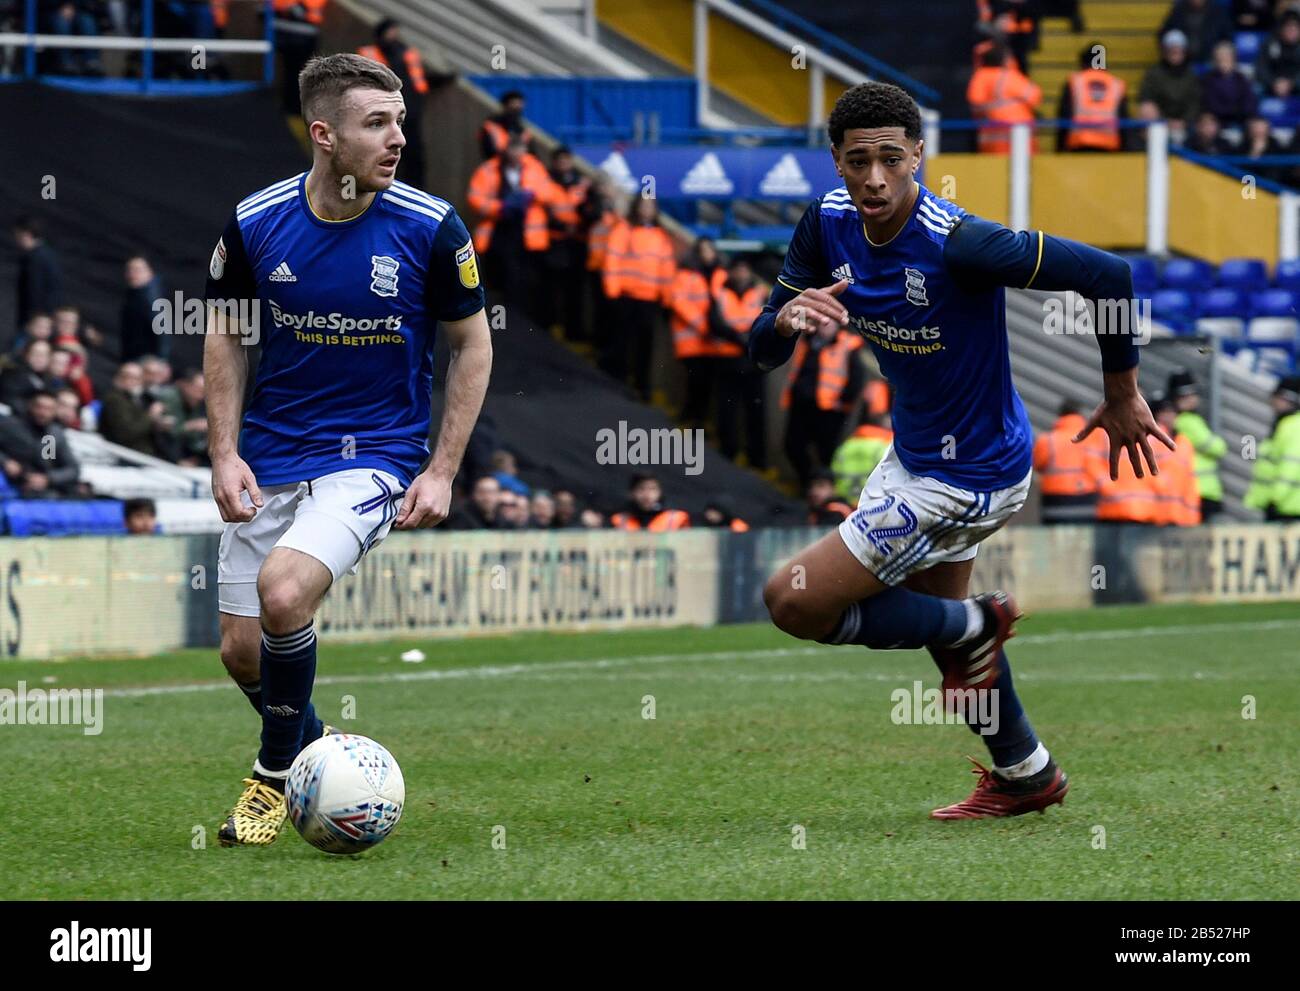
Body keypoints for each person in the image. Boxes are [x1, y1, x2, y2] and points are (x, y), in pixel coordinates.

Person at [749, 82, 1172, 818]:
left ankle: (978, 620)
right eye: (858, 162)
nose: (875, 177)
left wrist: (1123, 390)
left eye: (890, 158)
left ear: (919, 153)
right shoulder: (826, 223)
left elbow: (1108, 275)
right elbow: (758, 349)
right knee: (950, 649)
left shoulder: (962, 243)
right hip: (912, 456)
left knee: (792, 598)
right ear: (837, 164)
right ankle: (1025, 772)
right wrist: (782, 320)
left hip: (974, 474)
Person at [203, 54, 492, 847]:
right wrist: (224, 454)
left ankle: (268, 783)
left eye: (399, 121)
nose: (398, 138)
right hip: (270, 455)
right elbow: (224, 333)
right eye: (378, 123)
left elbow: (473, 346)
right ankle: (331, 768)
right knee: (239, 651)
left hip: (374, 458)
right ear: (324, 135)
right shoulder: (256, 221)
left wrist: (440, 468)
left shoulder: (431, 227)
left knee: (285, 593)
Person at [467, 135, 560, 319]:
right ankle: (500, 321)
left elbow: (550, 192)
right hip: (499, 231)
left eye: (520, 148)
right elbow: (474, 198)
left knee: (526, 280)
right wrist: (500, 208)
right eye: (513, 148)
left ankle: (522, 319)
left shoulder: (535, 167)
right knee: (498, 278)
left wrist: (531, 195)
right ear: (505, 150)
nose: (517, 153)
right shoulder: (489, 169)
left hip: (526, 234)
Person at [602, 197, 675, 400]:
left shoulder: (661, 236)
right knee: (622, 340)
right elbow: (613, 259)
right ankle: (617, 380)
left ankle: (642, 386)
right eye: (643, 206)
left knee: (645, 345)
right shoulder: (625, 229)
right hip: (626, 295)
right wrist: (612, 290)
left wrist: (667, 299)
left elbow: (666, 270)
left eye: (650, 206)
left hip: (649, 299)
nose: (646, 210)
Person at [711, 256, 769, 470]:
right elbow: (715, 322)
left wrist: (749, 339)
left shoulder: (762, 293)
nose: (741, 274)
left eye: (744, 270)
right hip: (728, 358)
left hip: (753, 360)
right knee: (727, 409)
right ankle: (728, 451)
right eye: (737, 269)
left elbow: (770, 319)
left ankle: (757, 458)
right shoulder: (721, 293)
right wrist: (739, 338)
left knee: (755, 411)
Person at [357, 19, 429, 187]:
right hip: (383, 114)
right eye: (390, 32)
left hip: (410, 114)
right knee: (386, 154)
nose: (394, 36)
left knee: (414, 156)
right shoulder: (368, 53)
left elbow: (417, 79)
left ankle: (415, 191)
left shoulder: (406, 53)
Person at [668, 237, 725, 427]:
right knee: (695, 381)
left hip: (714, 342)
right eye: (703, 250)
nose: (707, 254)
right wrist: (703, 326)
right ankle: (690, 417)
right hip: (692, 340)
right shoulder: (686, 275)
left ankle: (698, 420)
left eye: (710, 249)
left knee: (706, 384)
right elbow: (680, 302)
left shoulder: (721, 276)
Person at [1033, 400, 1109, 524]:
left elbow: (1037, 464)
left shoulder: (1047, 440)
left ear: (1060, 416)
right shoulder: (1096, 437)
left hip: (1055, 502)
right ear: (1080, 415)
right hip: (1088, 500)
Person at [0, 390, 82, 497]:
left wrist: (48, 479)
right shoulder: (10, 426)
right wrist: (5, 461)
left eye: (49, 409)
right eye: (39, 407)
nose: (43, 413)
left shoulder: (54, 434)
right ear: (30, 406)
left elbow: (72, 469)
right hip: (11, 484)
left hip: (43, 489)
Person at [1167, 370, 1226, 519]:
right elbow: (1218, 448)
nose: (1191, 399)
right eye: (1185, 396)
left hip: (1194, 489)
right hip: (1201, 490)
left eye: (1193, 394)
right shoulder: (1188, 421)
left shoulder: (1181, 421)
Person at [966, 43, 1041, 154]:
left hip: (993, 135)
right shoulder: (1010, 75)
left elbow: (975, 101)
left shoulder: (981, 75)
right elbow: (1035, 96)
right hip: (1021, 131)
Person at [1244, 375, 1300, 520]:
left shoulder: (1293, 426)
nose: (1272, 402)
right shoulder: (1285, 424)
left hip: (1288, 508)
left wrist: (1275, 498)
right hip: (1283, 505)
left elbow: (1291, 466)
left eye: (1276, 397)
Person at [1058, 44, 1132, 152]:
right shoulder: (1117, 84)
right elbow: (1123, 120)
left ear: (1083, 62)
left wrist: (1060, 149)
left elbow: (1065, 115)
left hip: (1079, 145)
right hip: (1110, 146)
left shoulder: (1074, 81)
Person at [1137, 30, 1200, 143]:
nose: (1175, 52)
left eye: (1178, 48)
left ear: (1184, 51)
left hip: (1185, 124)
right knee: (1146, 109)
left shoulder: (1192, 76)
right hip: (1160, 122)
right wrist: (1165, 121)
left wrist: (1184, 121)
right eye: (1171, 49)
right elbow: (1146, 98)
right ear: (1165, 51)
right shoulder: (1153, 74)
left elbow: (1195, 102)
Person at [12, 216, 63, 332]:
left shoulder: (34, 259)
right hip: (44, 318)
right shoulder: (48, 254)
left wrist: (33, 320)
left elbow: (34, 291)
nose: (16, 240)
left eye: (17, 235)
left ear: (26, 234)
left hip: (36, 321)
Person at [830, 410, 893, 503]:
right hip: (875, 504)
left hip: (844, 502)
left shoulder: (845, 446)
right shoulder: (887, 447)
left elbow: (833, 474)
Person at [119, 256, 169, 362]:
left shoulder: (152, 298)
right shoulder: (133, 296)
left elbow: (163, 333)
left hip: (148, 361)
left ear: (150, 273)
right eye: (129, 270)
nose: (132, 274)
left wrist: (161, 360)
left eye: (138, 270)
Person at [1200, 40, 1257, 127]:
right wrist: (1233, 111)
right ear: (1215, 60)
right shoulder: (1208, 79)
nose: (1224, 62)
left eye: (1227, 58)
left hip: (1240, 120)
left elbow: (1249, 102)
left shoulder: (1241, 79)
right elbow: (1211, 104)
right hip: (1217, 121)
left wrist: (1241, 113)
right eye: (1220, 59)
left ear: (1233, 60)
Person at [1158, 0, 1233, 63]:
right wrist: (1172, 50)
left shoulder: (1217, 11)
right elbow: (1163, 34)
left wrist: (1220, 52)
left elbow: (1227, 36)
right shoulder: (1178, 10)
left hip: (1211, 60)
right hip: (1184, 61)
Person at [608, 473, 690, 530]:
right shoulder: (619, 521)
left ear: (660, 492)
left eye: (652, 489)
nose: (647, 495)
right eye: (641, 489)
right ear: (632, 493)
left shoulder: (677, 518)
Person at [479, 90, 535, 160]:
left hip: (522, 168)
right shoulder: (491, 127)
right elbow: (488, 152)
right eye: (513, 105)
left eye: (519, 105)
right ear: (505, 106)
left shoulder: (524, 131)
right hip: (498, 166)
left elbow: (532, 155)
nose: (517, 109)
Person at [1257, 11, 1300, 99]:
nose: (1292, 30)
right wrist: (1273, 82)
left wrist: (1291, 83)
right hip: (1272, 84)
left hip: (1295, 84)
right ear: (1282, 28)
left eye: (1295, 27)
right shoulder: (1270, 42)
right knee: (1256, 89)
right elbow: (1261, 67)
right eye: (1288, 27)